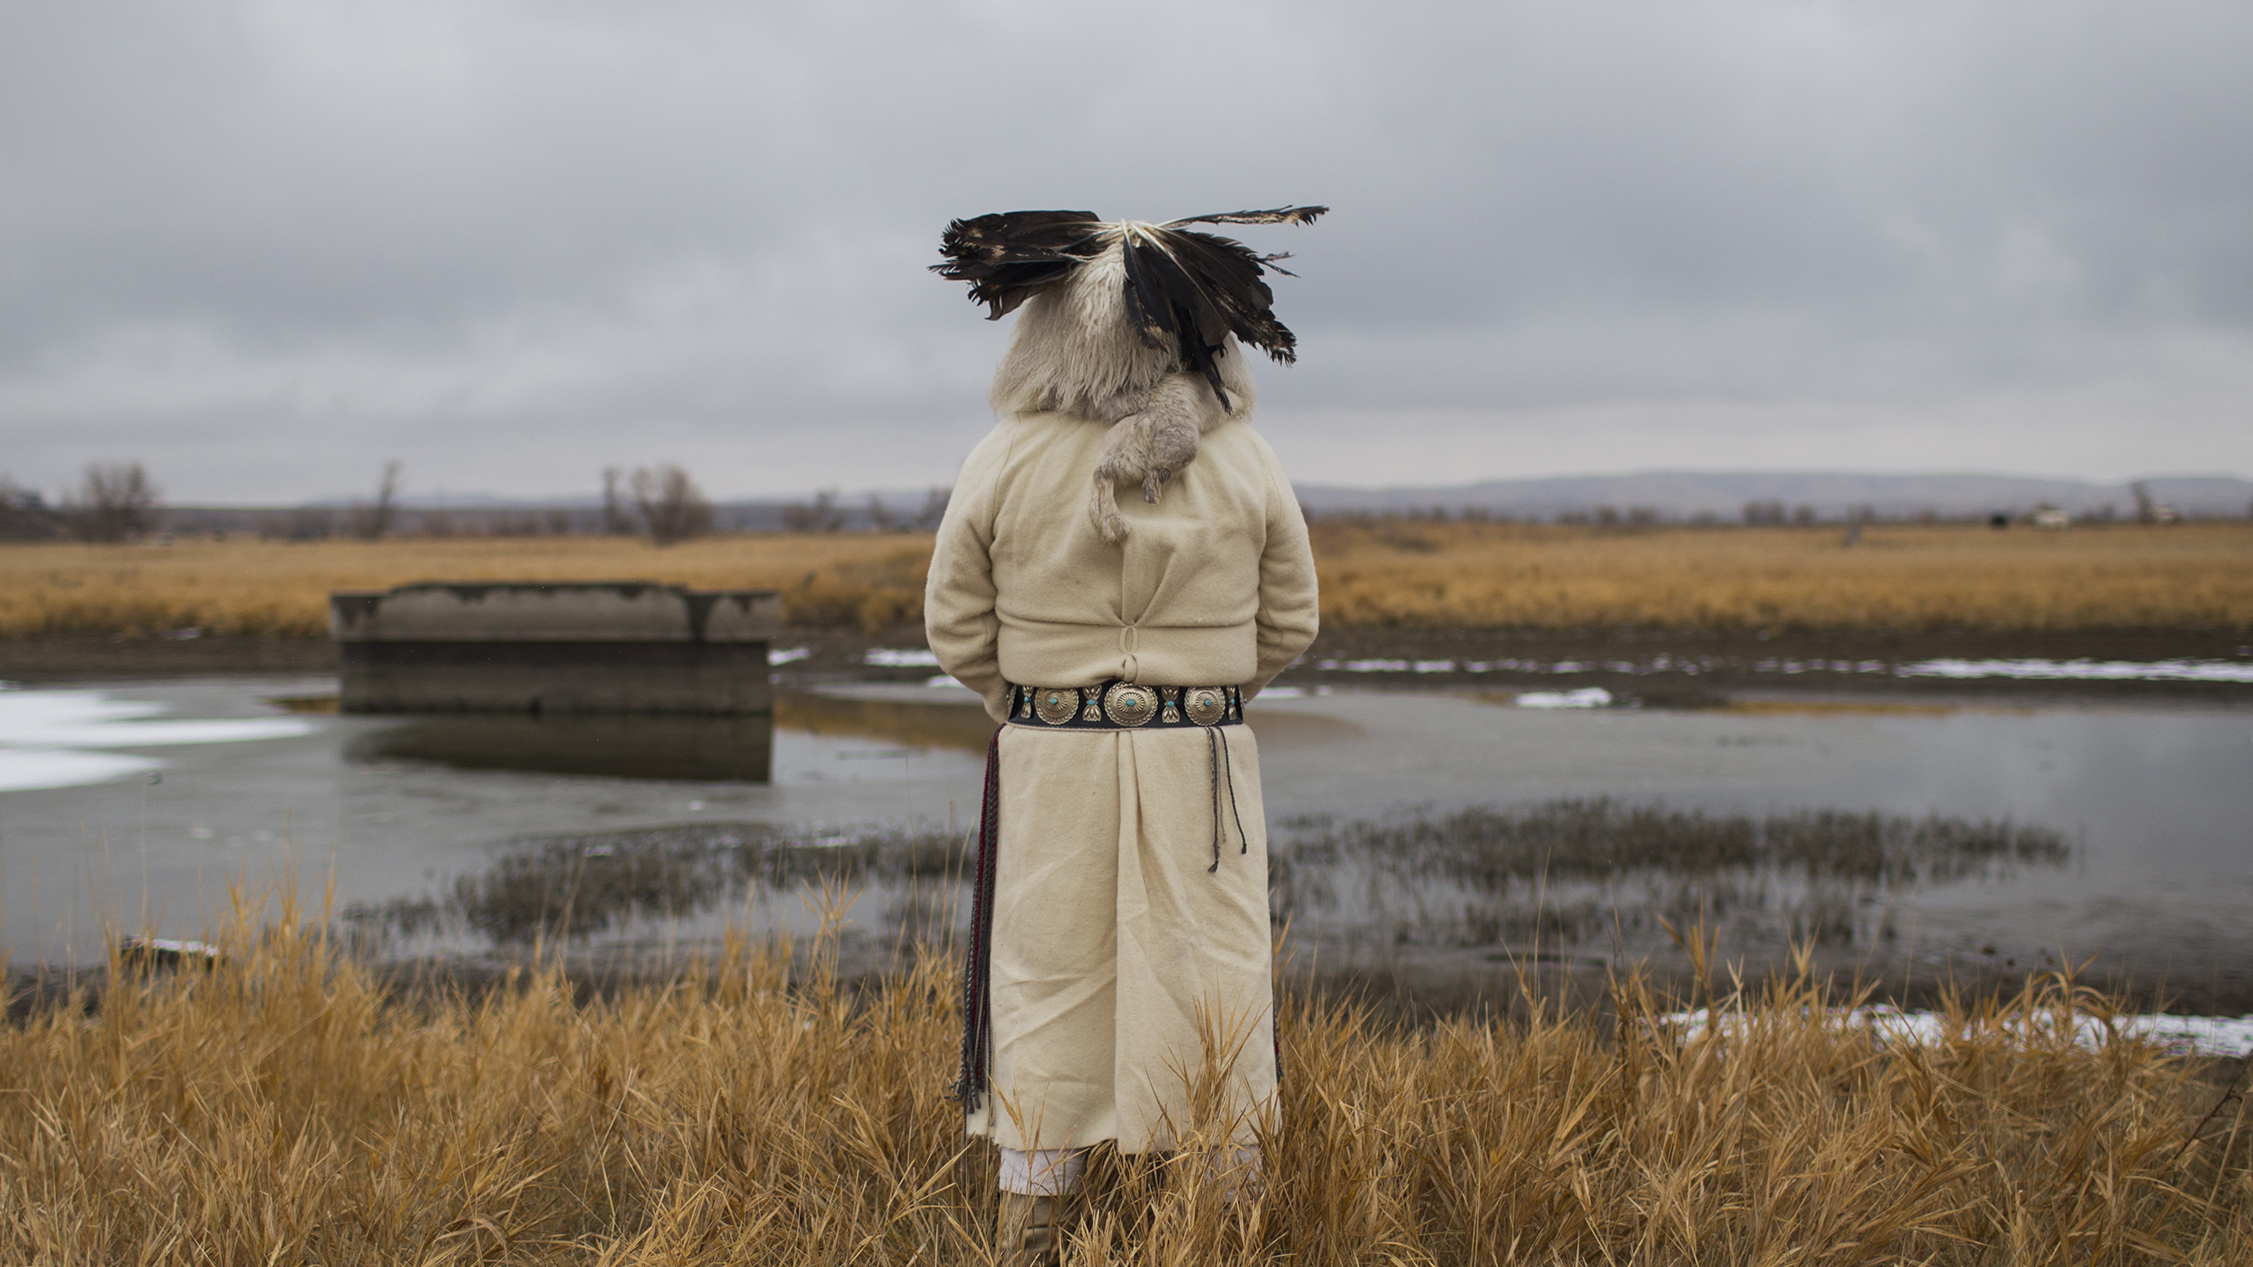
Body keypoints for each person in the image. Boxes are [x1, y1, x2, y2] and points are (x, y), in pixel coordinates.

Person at [925, 207, 1324, 1265]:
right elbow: (1291, 621)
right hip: (1203, 762)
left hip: (1053, 759)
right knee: (1212, 972)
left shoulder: (1004, 457)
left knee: (1048, 974)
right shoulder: (1245, 461)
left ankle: (1036, 1222)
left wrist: (1034, 705)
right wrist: (1207, 695)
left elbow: (955, 624)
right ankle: (1222, 1217)